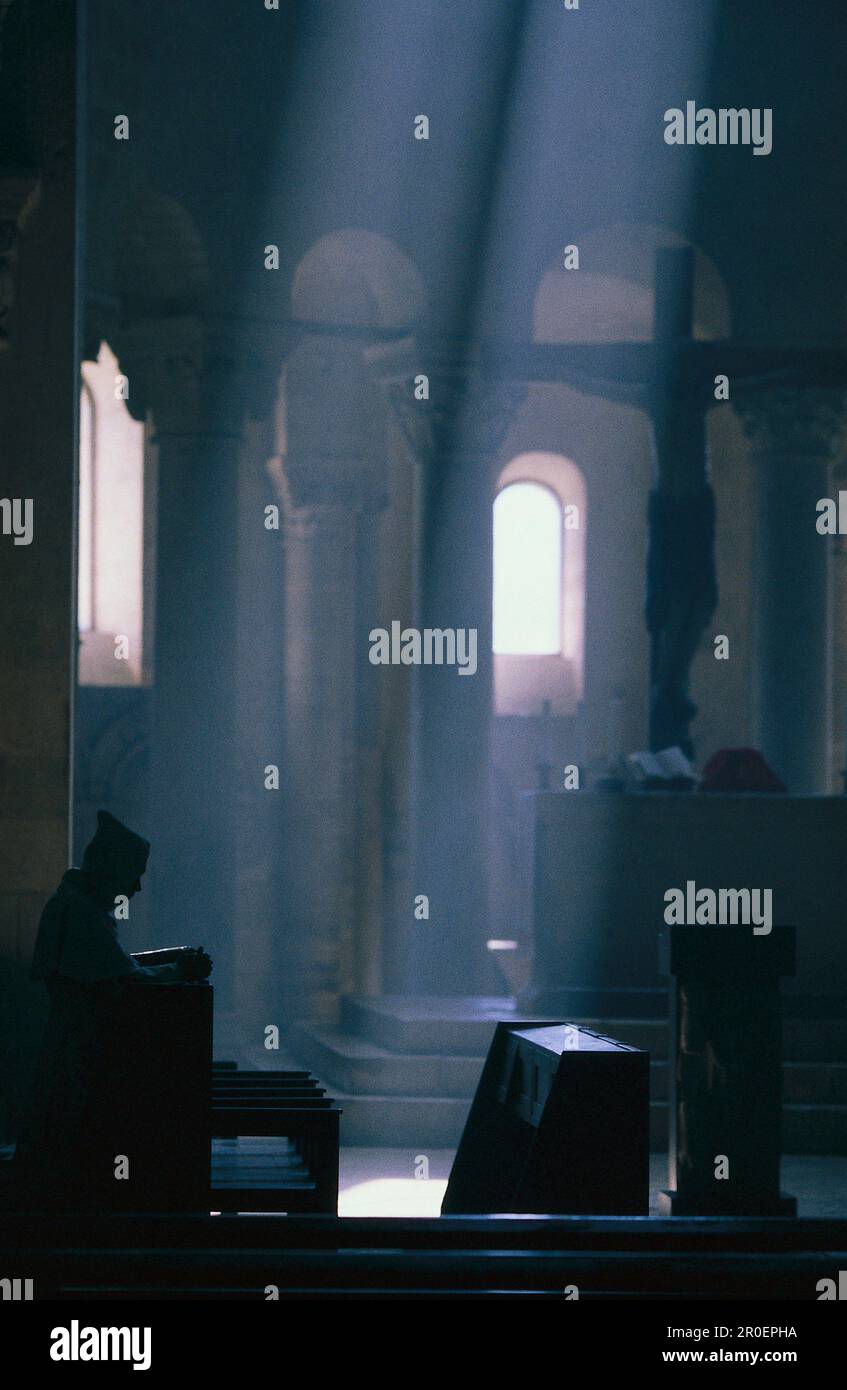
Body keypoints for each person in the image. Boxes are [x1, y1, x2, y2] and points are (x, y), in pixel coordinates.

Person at [15, 810, 212, 1207]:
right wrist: (178, 969)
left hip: (75, 1049)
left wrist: (170, 959)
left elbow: (114, 963)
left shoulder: (78, 906)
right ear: (112, 868)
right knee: (66, 1157)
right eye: (133, 875)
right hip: (80, 1056)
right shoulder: (81, 913)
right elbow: (124, 980)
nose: (137, 888)